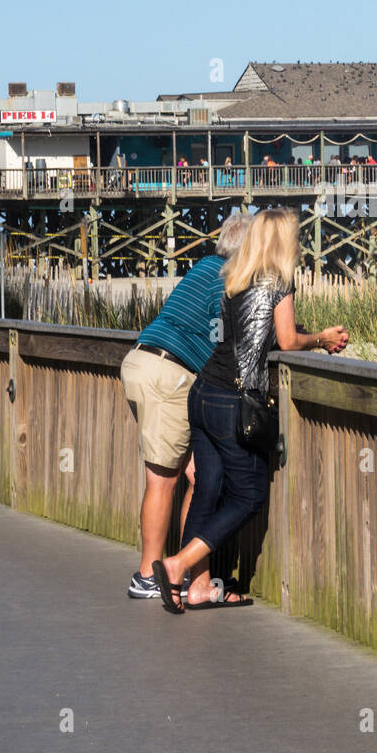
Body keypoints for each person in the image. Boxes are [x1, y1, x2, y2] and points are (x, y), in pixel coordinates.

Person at [153, 208, 349, 613]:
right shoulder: (279, 280)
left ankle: (199, 587)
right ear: (284, 240)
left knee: (208, 489)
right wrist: (322, 338)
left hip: (203, 393)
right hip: (233, 403)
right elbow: (287, 339)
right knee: (250, 496)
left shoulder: (233, 276)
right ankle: (178, 565)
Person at [120, 213, 249, 599]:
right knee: (164, 478)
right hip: (170, 373)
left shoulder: (205, 265)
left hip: (142, 360)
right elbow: (221, 334)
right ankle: (147, 576)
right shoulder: (228, 278)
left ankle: (195, 580)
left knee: (194, 473)